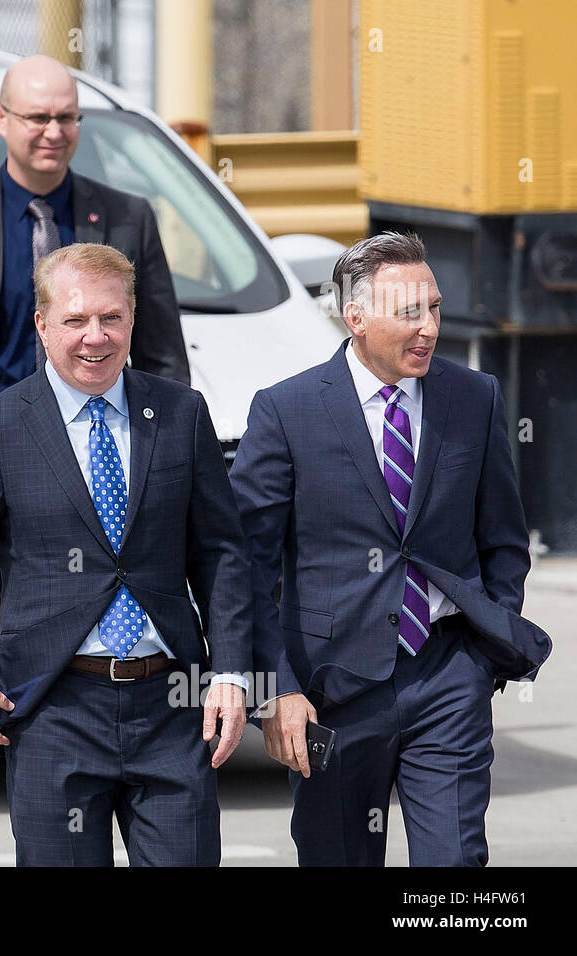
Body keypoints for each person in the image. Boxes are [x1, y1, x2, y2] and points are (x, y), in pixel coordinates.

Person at [0, 53, 191, 865]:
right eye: (36, 117)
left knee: (67, 654)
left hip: (100, 477)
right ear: (2, 121)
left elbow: (161, 352)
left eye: (66, 118)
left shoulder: (124, 216)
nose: (53, 132)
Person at [0, 243, 251, 866]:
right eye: (75, 320)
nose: (95, 337)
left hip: (172, 707)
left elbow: (222, 553)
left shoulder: (180, 413)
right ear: (42, 325)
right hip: (53, 712)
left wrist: (231, 671)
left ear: (132, 321)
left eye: (111, 318)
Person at [229, 231, 552, 866]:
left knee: (454, 866)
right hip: (330, 689)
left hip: (447, 675)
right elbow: (245, 569)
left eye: (433, 307)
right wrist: (277, 690)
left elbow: (505, 540)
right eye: (410, 312)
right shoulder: (286, 411)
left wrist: (483, 653)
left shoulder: (474, 397)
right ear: (355, 318)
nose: (429, 327)